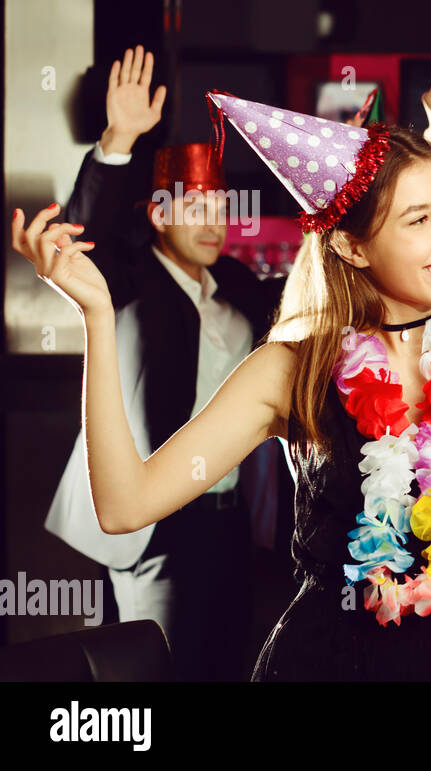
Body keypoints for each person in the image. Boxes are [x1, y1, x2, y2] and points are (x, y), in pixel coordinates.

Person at [15, 94, 431, 681]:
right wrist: (96, 315)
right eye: (419, 219)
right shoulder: (290, 371)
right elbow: (125, 507)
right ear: (351, 246)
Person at [41, 46, 288, 681]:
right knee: (156, 674)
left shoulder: (234, 283)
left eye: (222, 208)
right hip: (155, 525)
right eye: (195, 208)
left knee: (228, 664)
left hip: (230, 524)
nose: (215, 224)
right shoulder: (129, 277)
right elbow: (82, 237)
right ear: (157, 213)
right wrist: (119, 138)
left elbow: (308, 296)